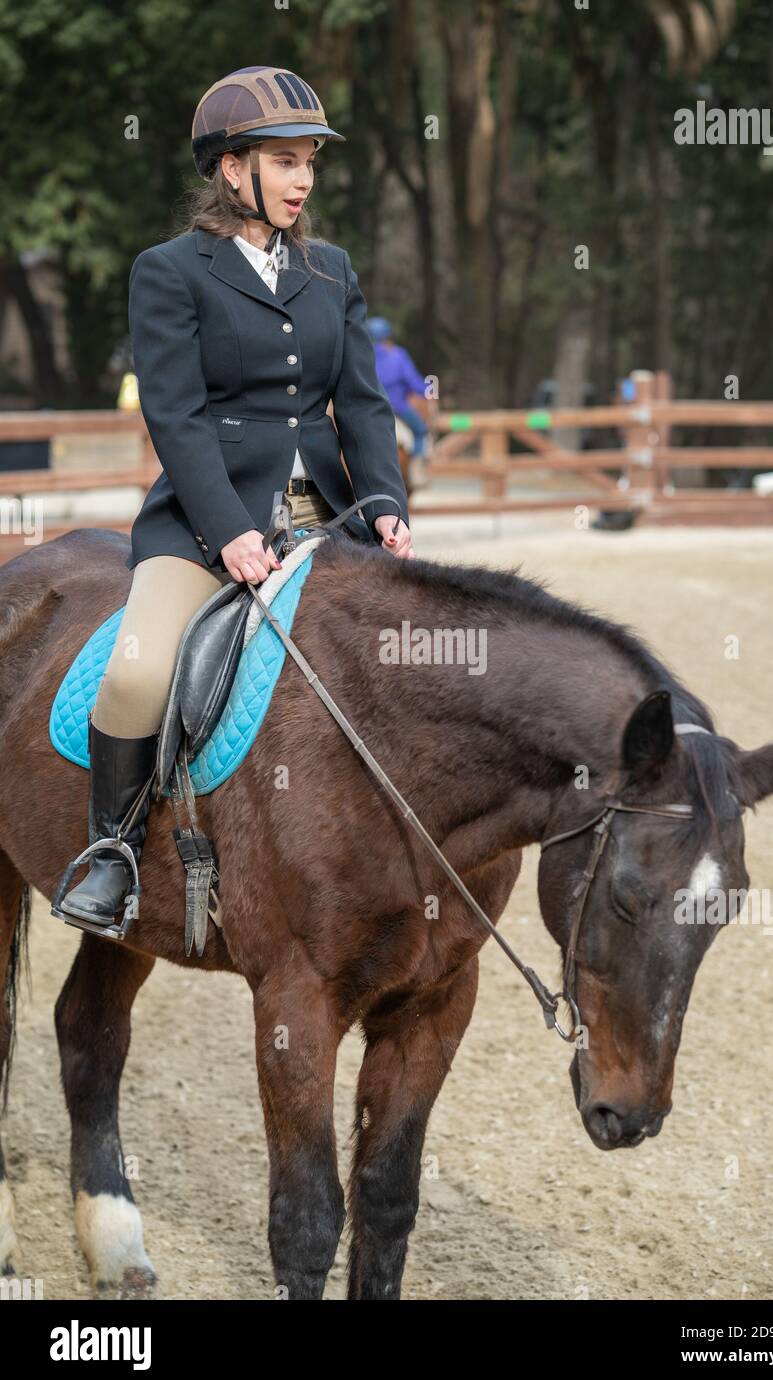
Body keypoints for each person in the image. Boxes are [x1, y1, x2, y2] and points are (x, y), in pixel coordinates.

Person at [57, 65, 414, 937]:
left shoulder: (330, 270)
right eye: (286, 162)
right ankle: (114, 852)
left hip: (328, 520)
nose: (304, 181)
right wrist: (233, 533)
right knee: (139, 673)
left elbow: (362, 404)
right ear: (232, 168)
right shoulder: (169, 271)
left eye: (310, 164)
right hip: (203, 522)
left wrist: (384, 501)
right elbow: (175, 418)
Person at [368, 317, 430, 461]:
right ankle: (416, 470)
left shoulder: (362, 355)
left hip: (368, 407)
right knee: (421, 431)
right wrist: (429, 390)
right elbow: (413, 381)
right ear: (388, 336)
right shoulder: (397, 354)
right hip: (396, 407)